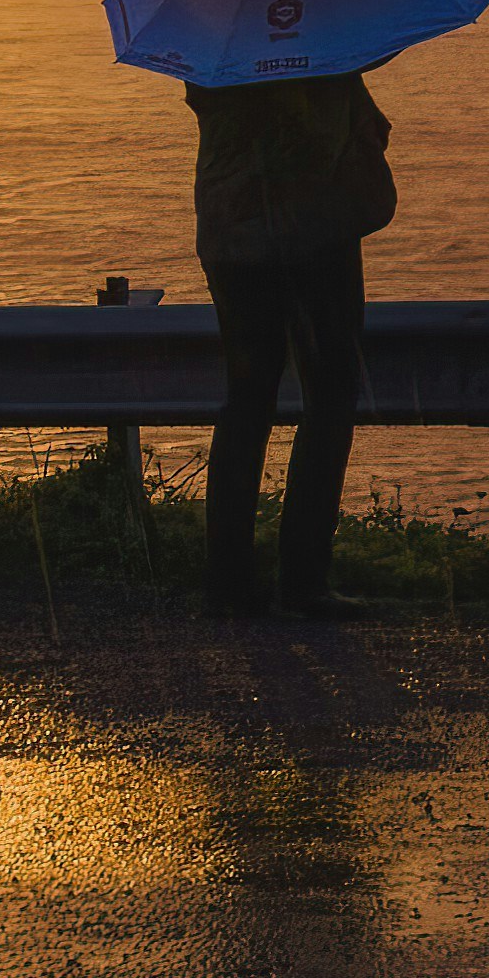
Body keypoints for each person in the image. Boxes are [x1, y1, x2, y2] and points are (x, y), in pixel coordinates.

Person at [188, 70, 395, 619]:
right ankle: (304, 581)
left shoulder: (215, 44)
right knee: (330, 396)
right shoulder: (324, 43)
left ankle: (228, 582)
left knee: (247, 400)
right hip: (315, 228)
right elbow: (367, 133)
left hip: (232, 230)